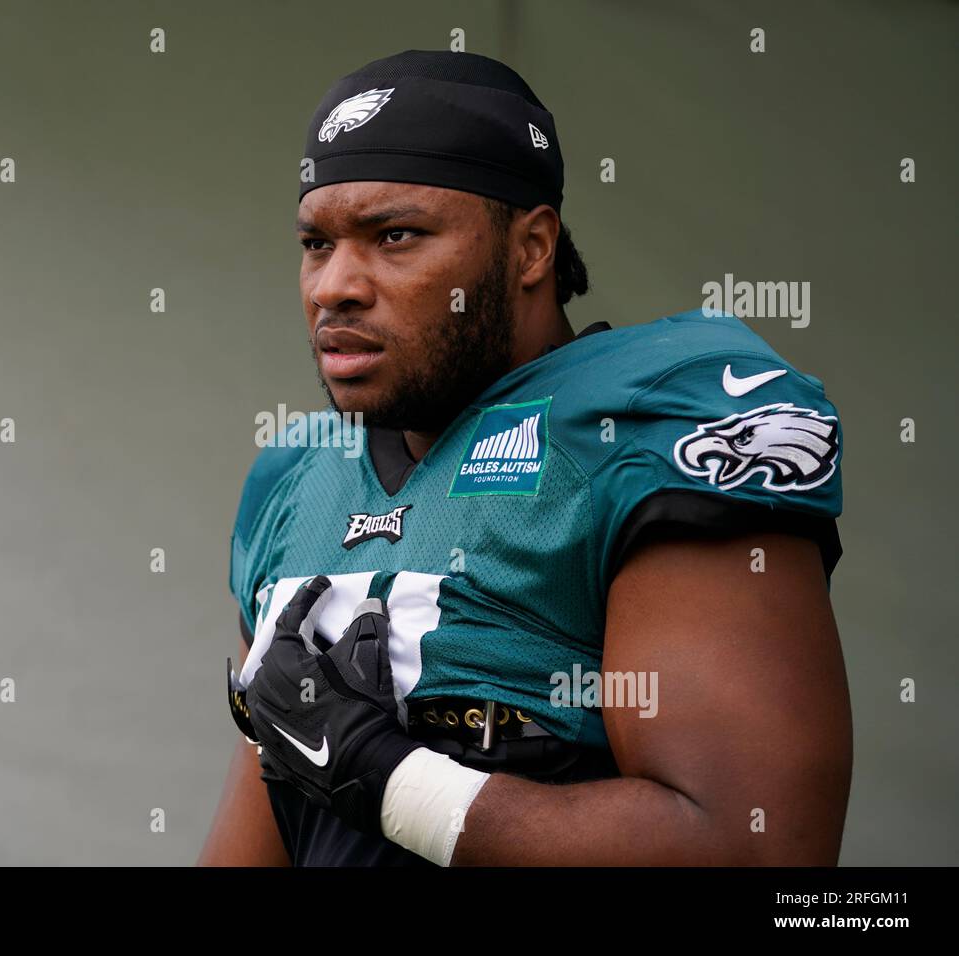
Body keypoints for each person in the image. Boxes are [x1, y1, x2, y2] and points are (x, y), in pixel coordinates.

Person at [198, 49, 851, 867]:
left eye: (395, 236)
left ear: (532, 248)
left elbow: (755, 848)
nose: (335, 284)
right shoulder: (298, 481)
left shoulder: (646, 426)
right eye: (316, 242)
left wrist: (387, 776)